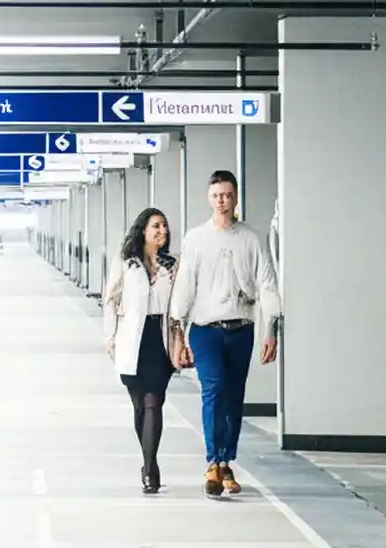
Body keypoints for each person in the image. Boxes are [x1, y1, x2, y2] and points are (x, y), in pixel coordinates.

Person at [169, 170, 281, 497]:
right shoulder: (195, 239)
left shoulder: (252, 238)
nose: (222, 201)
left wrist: (270, 330)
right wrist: (178, 331)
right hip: (205, 331)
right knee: (213, 391)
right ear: (209, 198)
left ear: (235, 199)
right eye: (217, 195)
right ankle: (212, 461)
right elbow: (186, 286)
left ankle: (226, 462)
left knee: (233, 398)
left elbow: (267, 285)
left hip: (241, 329)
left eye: (227, 195)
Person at [103, 207, 179, 494]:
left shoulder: (172, 265)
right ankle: (148, 461)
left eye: (165, 226)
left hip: (159, 339)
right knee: (139, 406)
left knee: (153, 402)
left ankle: (150, 468)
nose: (162, 231)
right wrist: (109, 337)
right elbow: (111, 299)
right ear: (143, 230)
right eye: (156, 226)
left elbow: (179, 304)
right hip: (131, 339)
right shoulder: (125, 262)